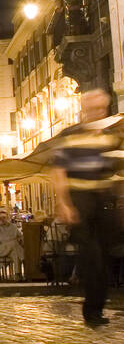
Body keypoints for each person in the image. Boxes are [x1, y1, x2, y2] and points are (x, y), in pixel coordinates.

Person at [52, 88, 124, 326]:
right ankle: (92, 311)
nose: (97, 112)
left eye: (101, 108)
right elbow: (59, 171)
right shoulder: (69, 135)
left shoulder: (108, 137)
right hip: (80, 199)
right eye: (93, 108)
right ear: (84, 109)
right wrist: (64, 202)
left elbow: (115, 169)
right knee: (92, 256)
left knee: (104, 255)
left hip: (104, 199)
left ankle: (97, 307)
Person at [0, 209, 23, 280]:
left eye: (4, 218)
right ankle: (23, 257)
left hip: (12, 249)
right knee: (14, 244)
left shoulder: (13, 226)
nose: (3, 219)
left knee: (16, 255)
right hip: (3, 248)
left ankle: (17, 274)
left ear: (8, 218)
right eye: (1, 218)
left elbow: (20, 236)